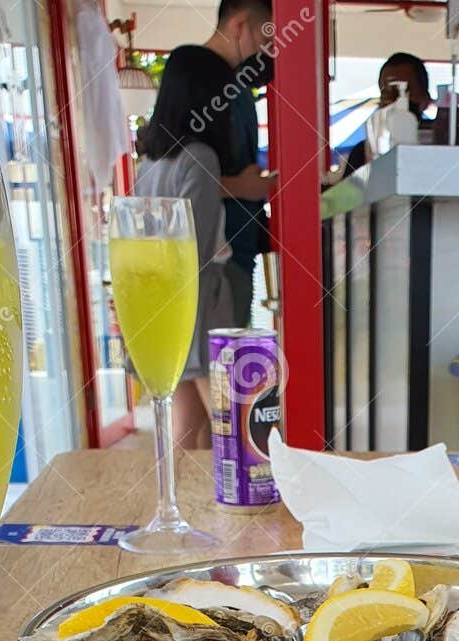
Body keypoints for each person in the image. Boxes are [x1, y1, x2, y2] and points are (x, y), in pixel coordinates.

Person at [135, 46, 237, 450]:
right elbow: (196, 245)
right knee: (230, 426)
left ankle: (178, 492)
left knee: (186, 430)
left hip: (158, 298)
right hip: (199, 298)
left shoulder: (150, 163)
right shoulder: (201, 157)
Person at [198, 0, 279, 329]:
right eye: (267, 39)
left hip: (238, 252)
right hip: (215, 259)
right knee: (221, 355)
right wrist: (243, 187)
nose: (269, 51)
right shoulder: (198, 81)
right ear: (240, 25)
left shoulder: (237, 86)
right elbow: (175, 174)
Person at [343, 53, 435, 172]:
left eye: (404, 91)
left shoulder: (442, 149)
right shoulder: (363, 154)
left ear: (425, 99)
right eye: (387, 93)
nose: (395, 101)